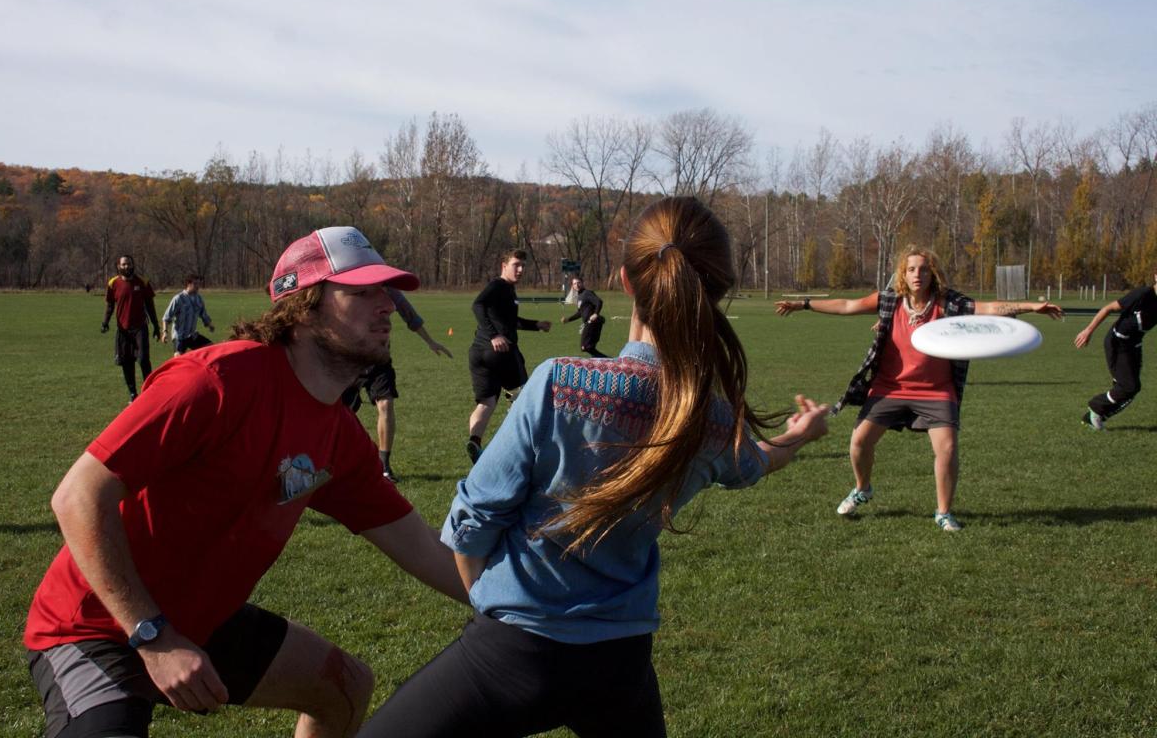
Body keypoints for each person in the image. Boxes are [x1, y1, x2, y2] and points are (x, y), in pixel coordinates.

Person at [358, 196, 830, 738]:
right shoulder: (710, 420)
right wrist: (800, 434)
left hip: (513, 653)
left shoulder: (560, 383)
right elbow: (757, 463)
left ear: (626, 280)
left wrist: (493, 612)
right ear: (717, 293)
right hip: (620, 666)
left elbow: (472, 525)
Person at [25, 226, 467, 738]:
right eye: (360, 292)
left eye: (385, 290)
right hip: (96, 625)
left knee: (345, 687)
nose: (386, 305)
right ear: (302, 306)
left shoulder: (339, 435)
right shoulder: (214, 382)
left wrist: (530, 607)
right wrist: (154, 637)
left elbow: (419, 545)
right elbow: (77, 496)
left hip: (202, 621)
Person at [776, 245, 1063, 531]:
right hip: (890, 387)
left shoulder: (948, 303)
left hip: (936, 390)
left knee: (947, 449)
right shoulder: (890, 300)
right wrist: (804, 303)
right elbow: (848, 305)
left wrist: (1031, 306)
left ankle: (944, 513)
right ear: (903, 273)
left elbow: (988, 308)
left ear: (932, 273)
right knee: (859, 443)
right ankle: (863, 489)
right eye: (911, 269)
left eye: (924, 269)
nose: (918, 274)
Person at [342, 289, 452, 482]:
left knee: (385, 405)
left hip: (380, 359)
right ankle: (334, 459)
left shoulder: (390, 289)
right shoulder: (353, 286)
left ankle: (384, 465)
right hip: (353, 358)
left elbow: (411, 316)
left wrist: (430, 342)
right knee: (343, 413)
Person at [465, 249, 551, 463]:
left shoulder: (507, 291)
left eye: (523, 265)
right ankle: (518, 447)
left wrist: (536, 325)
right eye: (516, 265)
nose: (520, 270)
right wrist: (495, 336)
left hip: (478, 353)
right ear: (504, 266)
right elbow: (477, 305)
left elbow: (510, 322)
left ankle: (474, 442)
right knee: (522, 397)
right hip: (500, 352)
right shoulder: (498, 286)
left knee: (487, 402)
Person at [1075, 267, 1157, 430]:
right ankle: (1096, 409)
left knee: (1131, 387)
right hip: (1118, 342)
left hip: (1134, 344)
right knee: (1129, 387)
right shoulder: (1143, 294)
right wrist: (1088, 331)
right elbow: (1108, 308)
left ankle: (1096, 415)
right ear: (1156, 276)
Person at [101, 255, 160, 402]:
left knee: (143, 359)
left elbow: (150, 306)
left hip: (140, 328)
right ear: (119, 266)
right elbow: (110, 305)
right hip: (123, 330)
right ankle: (133, 394)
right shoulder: (113, 283)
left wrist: (156, 326)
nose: (127, 266)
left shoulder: (143, 282)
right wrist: (105, 322)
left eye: (129, 264)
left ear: (133, 265)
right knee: (126, 362)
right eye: (124, 264)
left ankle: (149, 391)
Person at [160, 273, 215, 356]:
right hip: (180, 337)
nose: (198, 286)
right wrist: (165, 332)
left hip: (192, 336)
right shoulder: (178, 298)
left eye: (199, 284)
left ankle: (197, 366)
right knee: (178, 360)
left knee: (210, 348)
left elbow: (203, 314)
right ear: (189, 284)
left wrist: (210, 325)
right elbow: (166, 317)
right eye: (195, 284)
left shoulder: (198, 299)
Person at [560, 275, 608, 358]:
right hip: (590, 323)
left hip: (593, 323)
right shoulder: (579, 296)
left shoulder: (587, 293)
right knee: (589, 347)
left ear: (582, 283)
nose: (577, 285)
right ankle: (604, 362)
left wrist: (596, 314)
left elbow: (599, 301)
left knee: (585, 346)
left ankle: (606, 361)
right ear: (573, 286)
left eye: (578, 283)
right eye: (574, 284)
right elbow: (580, 313)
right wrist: (568, 319)